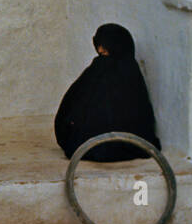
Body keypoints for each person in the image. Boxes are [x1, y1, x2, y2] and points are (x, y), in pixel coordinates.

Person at [55, 23, 161, 162]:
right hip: (116, 143)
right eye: (99, 45)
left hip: (101, 144)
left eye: (105, 47)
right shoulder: (115, 69)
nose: (100, 50)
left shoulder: (119, 72)